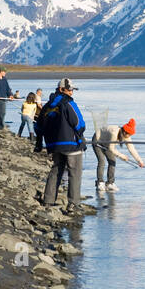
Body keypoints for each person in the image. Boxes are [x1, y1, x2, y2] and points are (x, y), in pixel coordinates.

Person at [41, 78, 86, 208]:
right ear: (61, 90)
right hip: (71, 145)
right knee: (75, 173)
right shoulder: (69, 103)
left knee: (56, 170)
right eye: (69, 90)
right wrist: (80, 134)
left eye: (72, 90)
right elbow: (78, 123)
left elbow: (39, 126)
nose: (71, 93)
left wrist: (41, 141)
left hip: (54, 146)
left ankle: (48, 201)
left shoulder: (48, 105)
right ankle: (73, 203)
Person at [92, 117, 144, 194]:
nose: (128, 137)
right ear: (124, 132)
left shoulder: (127, 136)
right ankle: (100, 182)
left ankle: (110, 183)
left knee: (112, 161)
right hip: (98, 140)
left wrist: (139, 161)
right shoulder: (114, 133)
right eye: (128, 135)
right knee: (102, 161)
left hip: (107, 143)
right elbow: (111, 149)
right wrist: (122, 156)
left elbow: (132, 149)